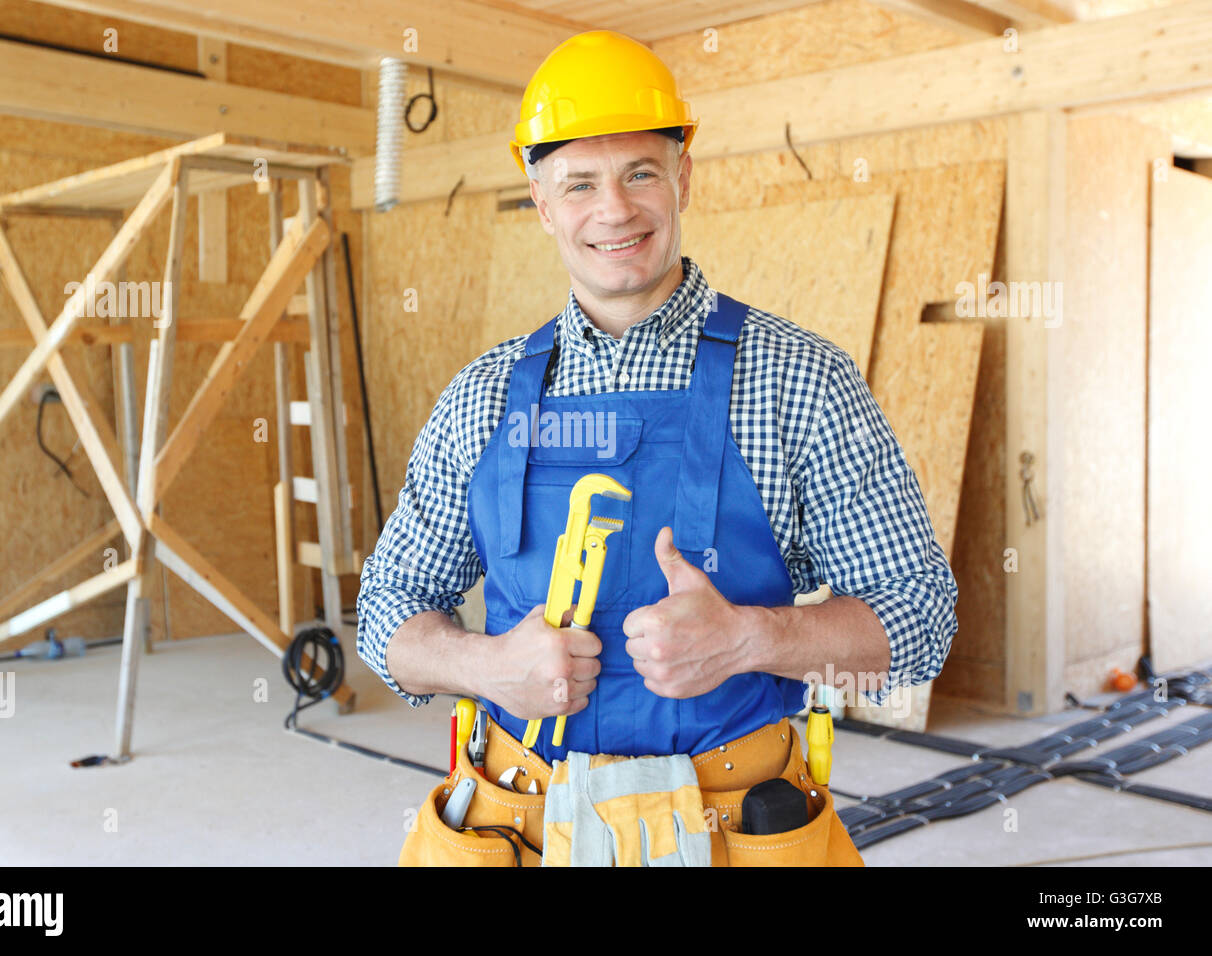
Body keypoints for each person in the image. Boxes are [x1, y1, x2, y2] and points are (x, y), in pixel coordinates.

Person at [356, 30, 958, 866]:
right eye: (580, 183)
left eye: (640, 171)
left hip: (737, 824)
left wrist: (752, 639)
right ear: (541, 202)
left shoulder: (801, 380)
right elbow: (388, 605)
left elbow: (920, 614)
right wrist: (485, 665)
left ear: (683, 177)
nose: (614, 210)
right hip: (518, 821)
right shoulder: (482, 396)